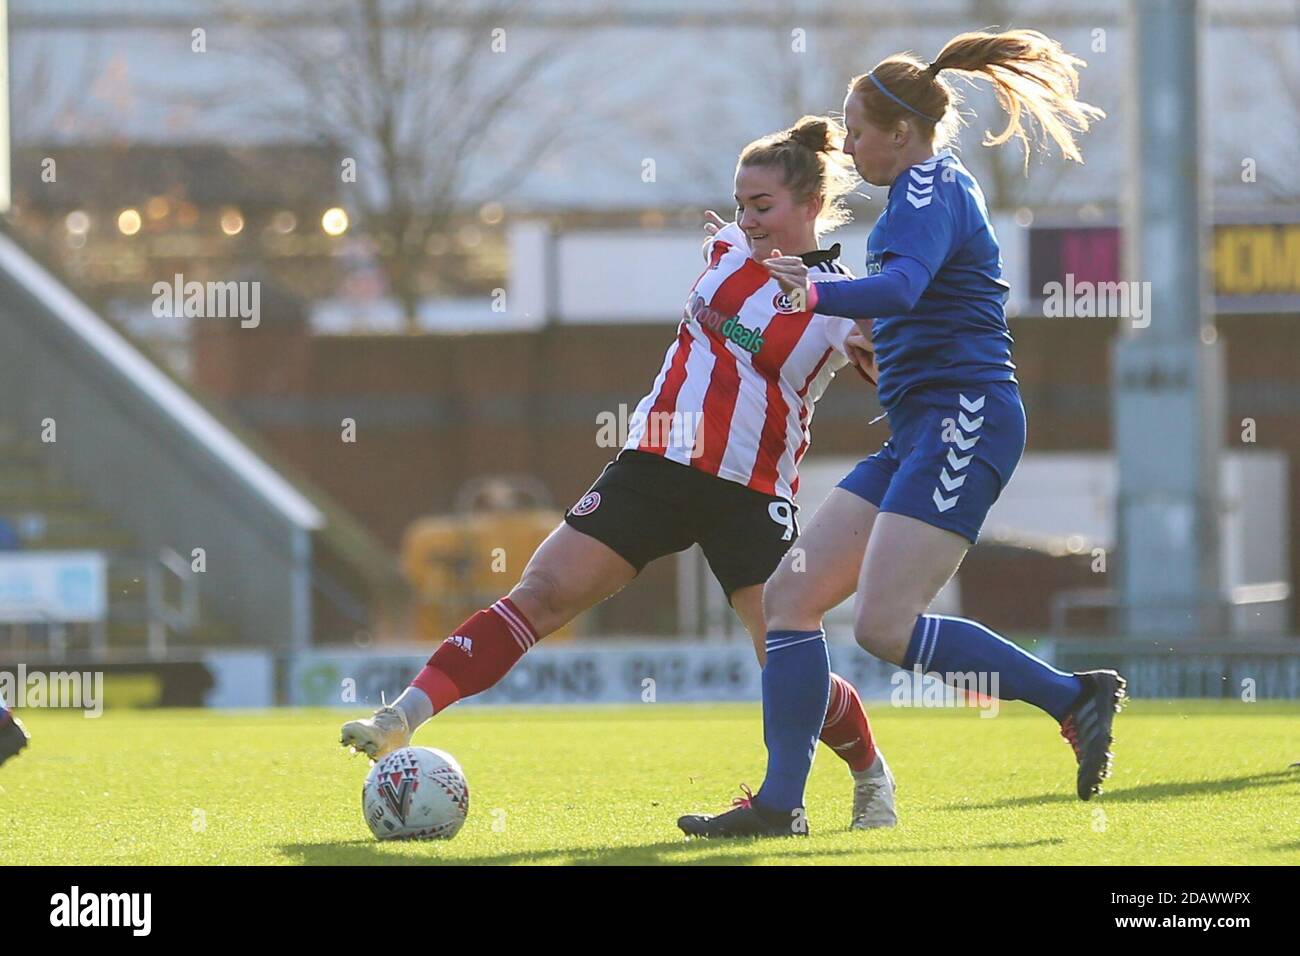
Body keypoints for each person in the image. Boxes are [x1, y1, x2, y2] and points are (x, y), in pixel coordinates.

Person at [343, 116, 897, 828]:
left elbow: (885, 368)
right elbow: (723, 264)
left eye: (763, 206)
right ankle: (403, 715)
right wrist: (735, 233)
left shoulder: (836, 300)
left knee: (786, 658)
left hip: (751, 494)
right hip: (653, 467)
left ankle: (869, 775)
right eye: (740, 204)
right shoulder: (727, 248)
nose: (747, 220)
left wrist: (883, 342)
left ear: (810, 204)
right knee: (540, 593)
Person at [679, 29, 1124, 839]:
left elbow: (905, 285)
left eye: (855, 128)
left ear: (900, 132)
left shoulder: (925, 188)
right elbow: (908, 297)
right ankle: (780, 804)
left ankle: (1072, 696)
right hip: (923, 425)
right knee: (790, 600)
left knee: (885, 627)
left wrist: (815, 296)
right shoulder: (924, 190)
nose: (847, 144)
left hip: (965, 421)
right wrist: (851, 316)